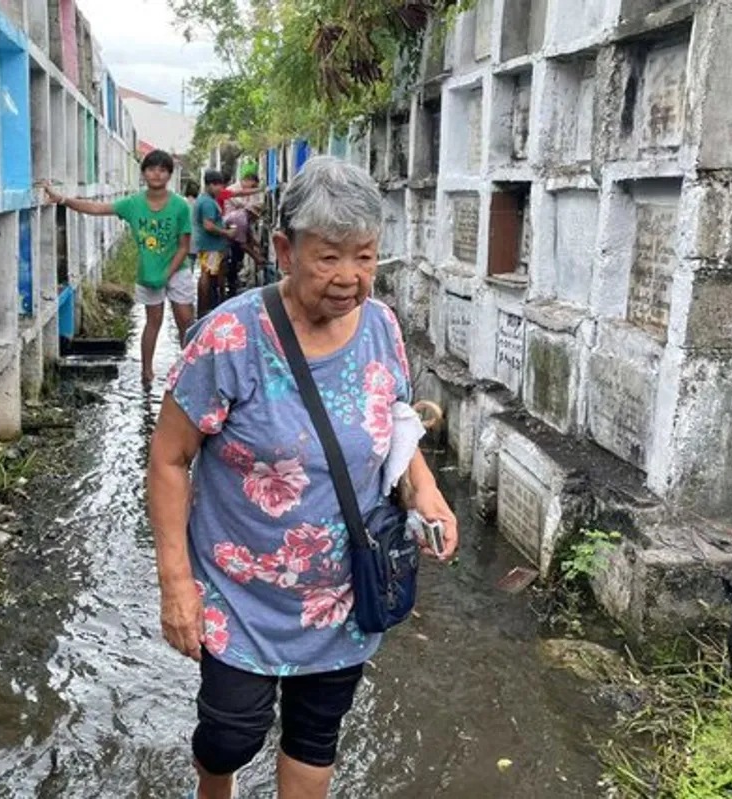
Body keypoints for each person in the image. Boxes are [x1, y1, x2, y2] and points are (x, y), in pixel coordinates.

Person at [147, 156, 460, 799]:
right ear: (285, 250)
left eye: (366, 257)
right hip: (241, 592)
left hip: (341, 594)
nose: (350, 278)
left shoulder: (381, 327)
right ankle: (215, 788)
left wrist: (424, 491)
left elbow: (396, 424)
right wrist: (176, 584)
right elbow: (170, 458)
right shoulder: (231, 337)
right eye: (330, 258)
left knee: (315, 734)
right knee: (230, 734)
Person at [39, 149, 192, 387]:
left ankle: (189, 369)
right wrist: (63, 199)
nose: (157, 174)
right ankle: (147, 372)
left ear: (169, 175)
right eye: (152, 169)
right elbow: (97, 209)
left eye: (163, 170)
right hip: (148, 272)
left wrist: (167, 274)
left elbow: (184, 246)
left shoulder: (180, 206)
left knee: (185, 320)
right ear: (143, 173)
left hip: (177, 269)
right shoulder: (133, 204)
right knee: (154, 321)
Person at [193, 170, 236, 319]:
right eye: (217, 185)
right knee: (207, 276)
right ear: (209, 185)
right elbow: (209, 226)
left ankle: (204, 309)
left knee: (209, 275)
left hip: (210, 245)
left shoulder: (206, 200)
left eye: (221, 185)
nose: (220, 189)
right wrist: (227, 233)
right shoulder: (207, 203)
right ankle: (204, 311)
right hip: (211, 246)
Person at [223, 165, 266, 297]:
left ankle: (231, 284)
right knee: (234, 256)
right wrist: (257, 257)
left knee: (236, 257)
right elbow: (243, 243)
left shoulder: (244, 216)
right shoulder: (240, 216)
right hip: (230, 230)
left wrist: (256, 245)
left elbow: (247, 233)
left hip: (233, 228)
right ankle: (230, 286)